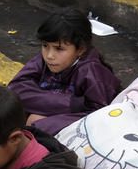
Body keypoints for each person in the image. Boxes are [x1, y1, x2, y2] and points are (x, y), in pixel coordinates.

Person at [8, 7, 121, 135]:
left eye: (59, 49)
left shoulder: (92, 72)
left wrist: (43, 123)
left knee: (36, 125)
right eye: (45, 46)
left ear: (81, 49)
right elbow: (16, 88)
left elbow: (100, 115)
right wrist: (72, 104)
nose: (49, 55)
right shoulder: (45, 60)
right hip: (65, 110)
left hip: (90, 128)